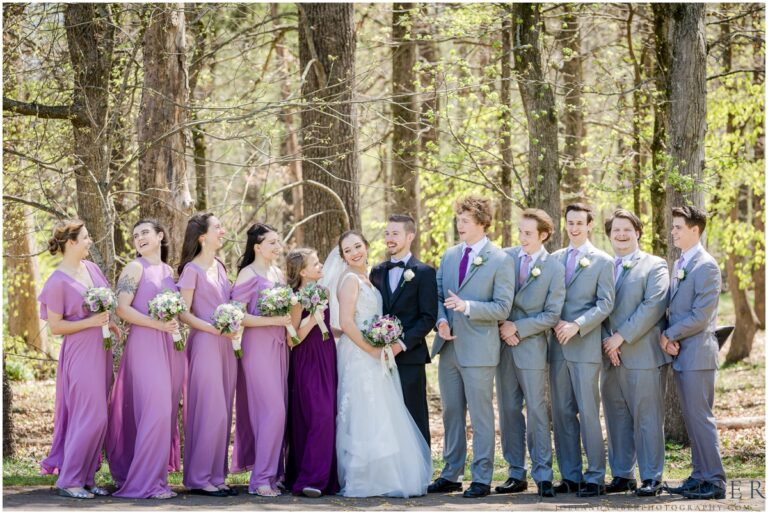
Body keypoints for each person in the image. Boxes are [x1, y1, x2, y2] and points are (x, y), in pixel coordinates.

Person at [325, 230, 432, 498]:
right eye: (347, 250)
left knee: (382, 409)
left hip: (376, 350)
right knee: (363, 409)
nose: (354, 253)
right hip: (359, 352)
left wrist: (382, 342)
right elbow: (347, 323)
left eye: (358, 246)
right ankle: (363, 476)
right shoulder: (349, 280)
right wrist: (371, 349)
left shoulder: (370, 278)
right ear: (343, 256)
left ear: (367, 246)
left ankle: (385, 475)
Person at [428, 195, 515, 499]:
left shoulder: (501, 259)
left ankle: (481, 477)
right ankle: (451, 474)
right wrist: (441, 321)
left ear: (481, 222)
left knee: (480, 416)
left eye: (465, 220)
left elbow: (503, 308)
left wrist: (467, 307)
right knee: (451, 412)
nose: (459, 225)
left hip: (479, 349)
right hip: (448, 347)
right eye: (458, 219)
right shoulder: (450, 255)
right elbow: (438, 296)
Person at [39, 219, 119, 499]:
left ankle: (85, 478)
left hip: (102, 348)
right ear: (71, 242)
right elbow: (57, 327)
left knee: (99, 416)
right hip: (80, 353)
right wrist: (91, 322)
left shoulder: (93, 269)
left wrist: (108, 323)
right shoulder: (57, 281)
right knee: (91, 414)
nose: (90, 242)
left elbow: (105, 305)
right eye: (85, 238)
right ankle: (68, 480)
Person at [106, 219, 186, 499]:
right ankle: (145, 484)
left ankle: (156, 479)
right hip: (144, 344)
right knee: (156, 411)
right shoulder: (134, 268)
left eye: (144, 233)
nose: (139, 238)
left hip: (170, 347)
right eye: (135, 235)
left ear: (160, 236)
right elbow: (122, 309)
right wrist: (157, 325)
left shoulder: (167, 271)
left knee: (165, 413)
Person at [600, 209, 670, 497]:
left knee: (647, 417)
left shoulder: (654, 265)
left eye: (627, 229)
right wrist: (607, 341)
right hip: (609, 356)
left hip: (643, 354)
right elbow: (598, 308)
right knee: (616, 416)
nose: (621, 234)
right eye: (616, 230)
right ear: (609, 234)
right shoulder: (603, 267)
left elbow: (652, 307)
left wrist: (620, 337)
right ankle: (622, 474)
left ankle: (651, 475)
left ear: (638, 232)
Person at [496, 209, 564, 498]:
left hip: (532, 347)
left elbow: (552, 314)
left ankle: (543, 474)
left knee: (536, 410)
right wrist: (502, 324)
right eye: (520, 231)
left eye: (527, 233)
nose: (521, 238)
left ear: (543, 235)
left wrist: (518, 328)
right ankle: (515, 472)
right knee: (509, 410)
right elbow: (493, 296)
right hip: (503, 345)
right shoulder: (505, 258)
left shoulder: (554, 268)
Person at [549, 203, 614, 497]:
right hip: (557, 346)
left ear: (589, 226)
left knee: (588, 412)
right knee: (562, 413)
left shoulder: (602, 260)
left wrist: (577, 324)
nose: (574, 227)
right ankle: (571, 475)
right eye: (570, 222)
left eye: (579, 223)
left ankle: (596, 476)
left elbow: (605, 303)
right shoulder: (553, 259)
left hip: (585, 344)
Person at [661, 206, 726, 500]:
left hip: (699, 353)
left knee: (701, 417)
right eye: (673, 227)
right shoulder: (680, 263)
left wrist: (669, 334)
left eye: (677, 227)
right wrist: (669, 338)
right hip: (683, 352)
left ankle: (714, 480)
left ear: (694, 230)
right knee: (691, 417)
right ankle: (699, 476)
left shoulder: (707, 266)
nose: (673, 232)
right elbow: (675, 308)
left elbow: (701, 316)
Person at [177, 213, 237, 497]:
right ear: (203, 236)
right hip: (205, 343)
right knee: (210, 410)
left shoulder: (220, 267)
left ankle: (216, 475)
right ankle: (200, 477)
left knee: (224, 410)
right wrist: (213, 328)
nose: (222, 231)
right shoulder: (192, 270)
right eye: (218, 228)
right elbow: (183, 312)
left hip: (226, 345)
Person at [230, 223, 292, 497]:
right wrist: (274, 319)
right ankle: (260, 480)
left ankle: (274, 473)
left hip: (279, 347)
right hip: (256, 348)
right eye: (272, 243)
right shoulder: (247, 273)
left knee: (279, 411)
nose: (278, 247)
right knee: (273, 411)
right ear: (257, 247)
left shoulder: (277, 272)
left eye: (279, 242)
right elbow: (237, 315)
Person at [369, 214, 437, 446]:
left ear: (410, 236)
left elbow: (428, 317)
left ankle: (421, 473)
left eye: (395, 234)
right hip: (379, 357)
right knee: (385, 415)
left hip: (410, 356)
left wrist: (401, 345)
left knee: (414, 414)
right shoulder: (376, 272)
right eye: (387, 233)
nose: (389, 238)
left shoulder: (424, 272)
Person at [284, 248, 340, 498]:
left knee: (328, 414)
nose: (320, 266)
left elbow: (330, 327)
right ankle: (309, 479)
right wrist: (312, 318)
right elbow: (292, 339)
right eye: (315, 263)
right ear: (303, 271)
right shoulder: (296, 298)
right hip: (306, 360)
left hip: (327, 356)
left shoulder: (324, 291)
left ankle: (325, 478)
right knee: (316, 416)